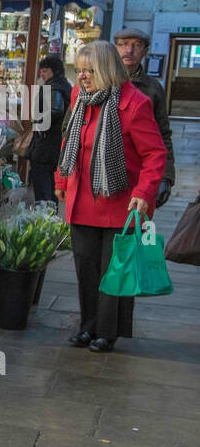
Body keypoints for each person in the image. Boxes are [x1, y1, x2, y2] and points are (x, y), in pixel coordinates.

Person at [56, 41, 167, 353]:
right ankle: (87, 326)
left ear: (107, 70)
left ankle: (108, 331)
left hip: (120, 201)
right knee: (86, 268)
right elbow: (69, 141)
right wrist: (61, 178)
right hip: (83, 200)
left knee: (113, 273)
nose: (82, 77)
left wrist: (145, 192)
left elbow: (155, 153)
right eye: (79, 71)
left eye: (90, 71)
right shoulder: (80, 97)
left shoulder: (135, 103)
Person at [113, 26, 175, 206]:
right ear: (114, 48)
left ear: (145, 51)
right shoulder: (101, 82)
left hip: (138, 173)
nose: (129, 50)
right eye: (123, 44)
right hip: (99, 173)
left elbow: (163, 134)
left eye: (136, 45)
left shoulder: (152, 89)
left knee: (132, 228)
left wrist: (166, 176)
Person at [29, 55, 72, 203]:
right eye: (41, 70)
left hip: (46, 146)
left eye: (45, 70)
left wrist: (39, 124)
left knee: (43, 188)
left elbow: (56, 110)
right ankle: (50, 218)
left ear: (55, 71)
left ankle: (43, 218)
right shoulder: (65, 85)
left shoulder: (53, 87)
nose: (42, 74)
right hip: (57, 145)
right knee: (53, 188)